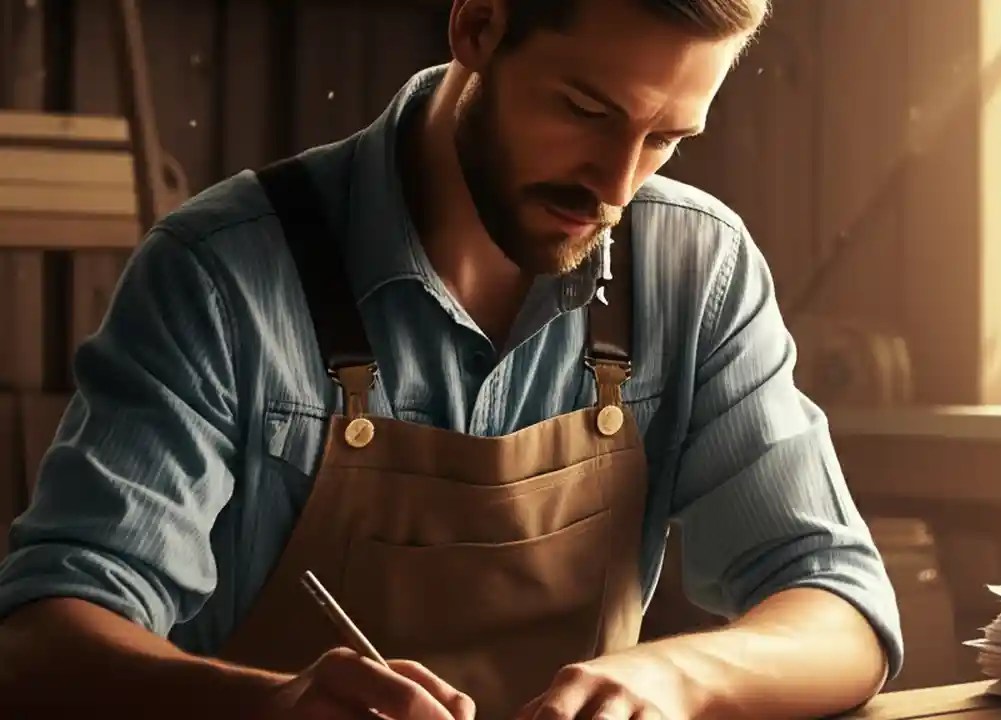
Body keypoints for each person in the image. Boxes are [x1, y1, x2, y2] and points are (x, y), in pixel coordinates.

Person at [0, 0, 904, 718]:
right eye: (587, 110)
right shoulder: (221, 272)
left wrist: (679, 681)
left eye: (666, 138)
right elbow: (42, 641)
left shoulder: (695, 267)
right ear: (479, 25)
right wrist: (269, 706)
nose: (617, 184)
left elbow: (841, 607)